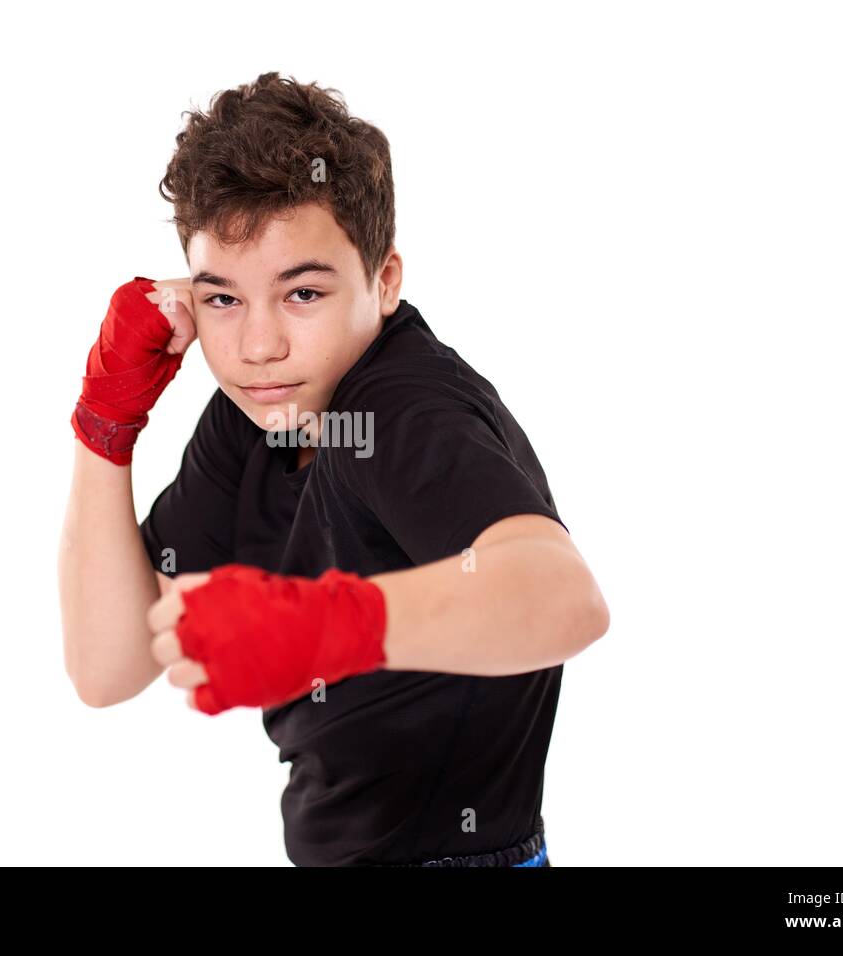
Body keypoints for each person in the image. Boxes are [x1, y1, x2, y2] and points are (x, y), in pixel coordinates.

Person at [58, 72, 609, 867]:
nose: (257, 346)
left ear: (384, 280)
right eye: (222, 300)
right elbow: (108, 667)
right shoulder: (257, 417)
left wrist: (321, 625)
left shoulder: (402, 410)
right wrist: (104, 425)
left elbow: (568, 600)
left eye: (302, 293)